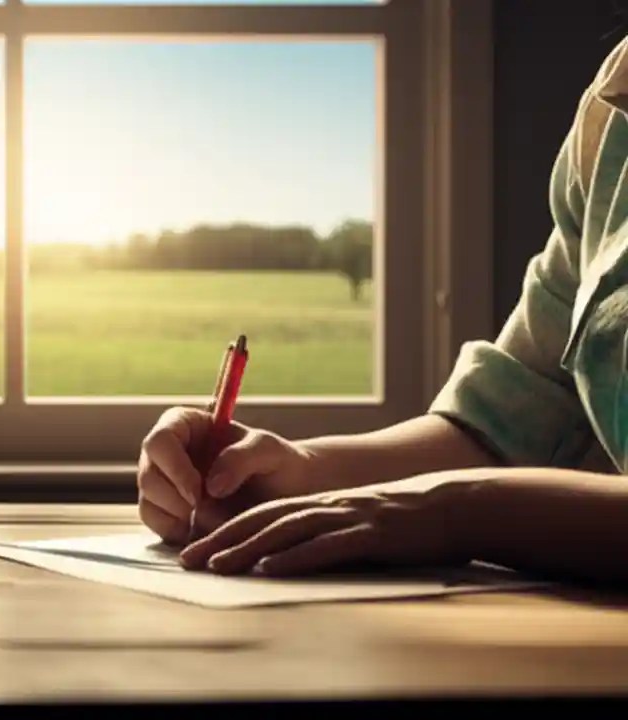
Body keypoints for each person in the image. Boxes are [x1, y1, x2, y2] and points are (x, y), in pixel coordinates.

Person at [138, 38, 628, 586]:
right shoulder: (613, 110)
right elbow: (503, 430)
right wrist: (295, 472)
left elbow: (466, 488)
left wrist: (458, 512)